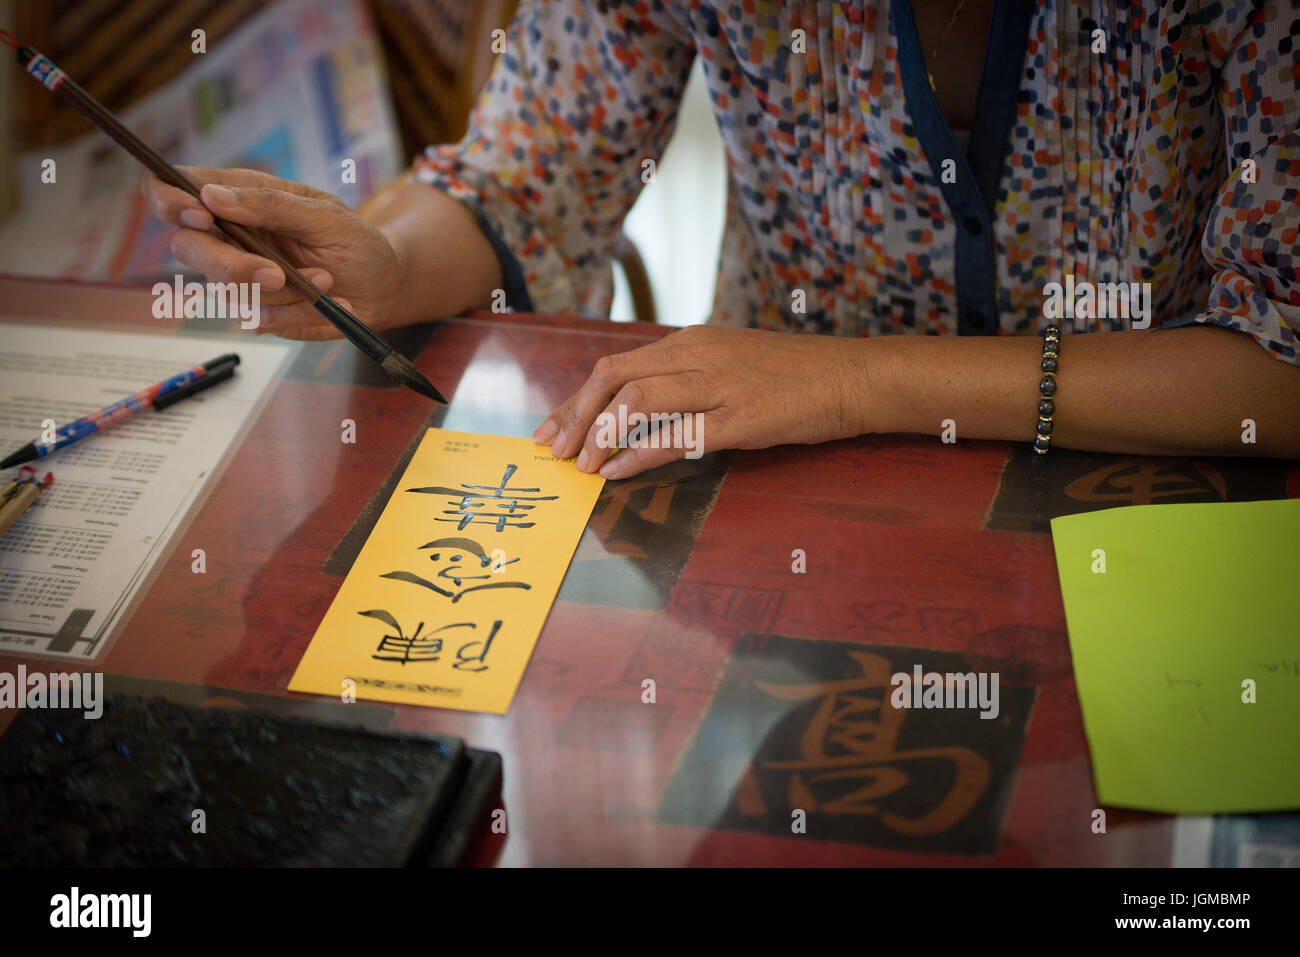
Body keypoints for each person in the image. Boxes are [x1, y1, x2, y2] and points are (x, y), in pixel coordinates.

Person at [143, 0, 1300, 478]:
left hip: (1156, 481)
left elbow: (1279, 364)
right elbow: (529, 173)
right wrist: (388, 263)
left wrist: (854, 379)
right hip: (792, 479)